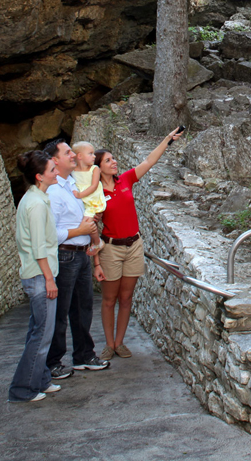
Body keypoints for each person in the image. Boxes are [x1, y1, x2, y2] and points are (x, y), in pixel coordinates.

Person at [94, 127, 184, 360]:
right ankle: (109, 344)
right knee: (109, 299)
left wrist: (167, 140)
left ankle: (120, 342)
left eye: (113, 158)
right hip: (110, 248)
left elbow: (149, 161)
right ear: (98, 167)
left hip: (134, 245)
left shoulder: (125, 179)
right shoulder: (95, 193)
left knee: (126, 298)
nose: (114, 162)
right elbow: (91, 222)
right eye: (108, 160)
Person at [43, 140, 109, 379]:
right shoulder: (52, 192)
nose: (72, 155)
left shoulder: (71, 184)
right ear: (55, 160)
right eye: (67, 152)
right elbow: (51, 234)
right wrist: (80, 231)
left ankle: (83, 355)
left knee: (83, 309)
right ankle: (52, 362)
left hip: (81, 255)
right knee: (61, 311)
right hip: (66, 253)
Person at [8, 151, 62, 403]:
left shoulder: (34, 198)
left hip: (37, 275)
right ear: (39, 176)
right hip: (41, 277)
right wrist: (50, 280)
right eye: (52, 169)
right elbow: (40, 248)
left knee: (38, 331)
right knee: (42, 335)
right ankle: (23, 389)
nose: (57, 172)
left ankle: (41, 380)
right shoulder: (37, 204)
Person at [70, 141, 107, 219]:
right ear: (80, 156)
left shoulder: (94, 169)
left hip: (92, 198)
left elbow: (94, 186)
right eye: (90, 153)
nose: (94, 156)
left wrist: (80, 195)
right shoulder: (73, 171)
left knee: (91, 220)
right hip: (80, 200)